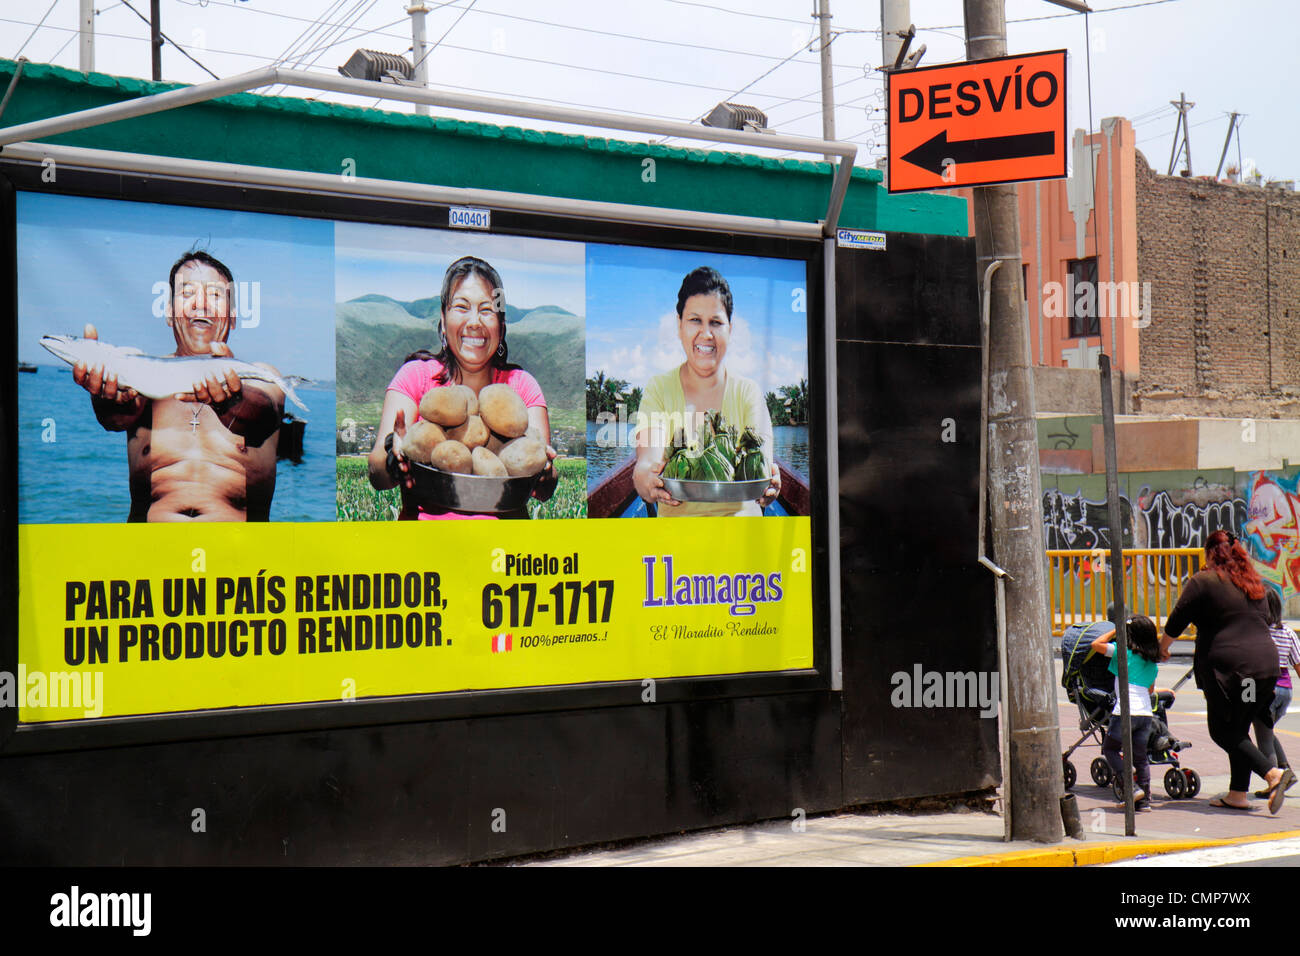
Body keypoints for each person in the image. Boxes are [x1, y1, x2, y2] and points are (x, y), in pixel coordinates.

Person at [72, 250, 285, 521]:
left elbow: (264, 415)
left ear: (232, 316)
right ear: (170, 313)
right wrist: (106, 395)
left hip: (239, 554)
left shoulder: (262, 376)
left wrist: (232, 400)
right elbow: (114, 417)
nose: (201, 303)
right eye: (187, 293)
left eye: (215, 295)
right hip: (150, 553)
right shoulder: (140, 370)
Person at [368, 255, 557, 519]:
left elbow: (545, 489)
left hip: (505, 554)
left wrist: (545, 471)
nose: (474, 322)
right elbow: (377, 473)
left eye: (487, 309)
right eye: (461, 307)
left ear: (501, 327)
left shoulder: (521, 386)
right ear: (443, 322)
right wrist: (393, 455)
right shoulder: (415, 376)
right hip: (425, 551)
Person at [1159, 529, 1294, 812]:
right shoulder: (1254, 584)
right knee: (1239, 727)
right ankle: (1237, 794)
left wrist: (1163, 648)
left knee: (1222, 730)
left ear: (1210, 553)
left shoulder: (1204, 581)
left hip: (1233, 670)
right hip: (1265, 667)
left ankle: (1273, 774)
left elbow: (1177, 618)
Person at [632, 266, 781, 517]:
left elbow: (762, 463)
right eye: (695, 320)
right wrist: (648, 481)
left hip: (741, 543)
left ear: (730, 329)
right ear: (679, 325)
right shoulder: (659, 389)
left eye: (716, 322)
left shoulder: (748, 393)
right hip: (677, 546)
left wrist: (769, 484)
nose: (706, 334)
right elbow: (646, 462)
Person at [1092, 615, 1162, 810]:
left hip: (1124, 711)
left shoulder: (1122, 652)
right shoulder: (1152, 663)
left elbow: (1096, 644)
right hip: (1145, 714)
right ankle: (1145, 801)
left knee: (1110, 749)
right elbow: (1149, 690)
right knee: (1140, 757)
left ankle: (1130, 786)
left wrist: (1117, 630)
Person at [1253, 589, 1300, 795]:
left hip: (1265, 689)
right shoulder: (1288, 632)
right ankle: (1286, 771)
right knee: (1268, 731)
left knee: (1263, 738)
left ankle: (1275, 783)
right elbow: (1298, 665)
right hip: (1285, 690)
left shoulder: (1258, 632)